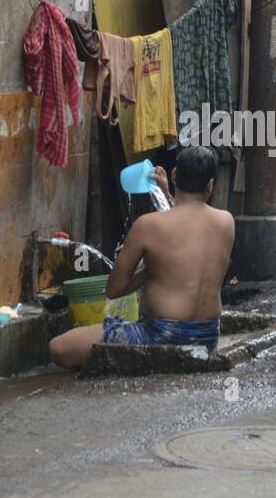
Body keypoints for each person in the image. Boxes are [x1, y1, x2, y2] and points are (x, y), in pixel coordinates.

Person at [48, 145, 235, 369]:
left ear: (175, 175)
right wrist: (167, 195)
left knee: (58, 347)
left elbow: (114, 289)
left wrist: (150, 271)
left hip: (159, 335)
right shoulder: (226, 222)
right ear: (210, 185)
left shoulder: (147, 225)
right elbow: (189, 223)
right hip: (206, 336)